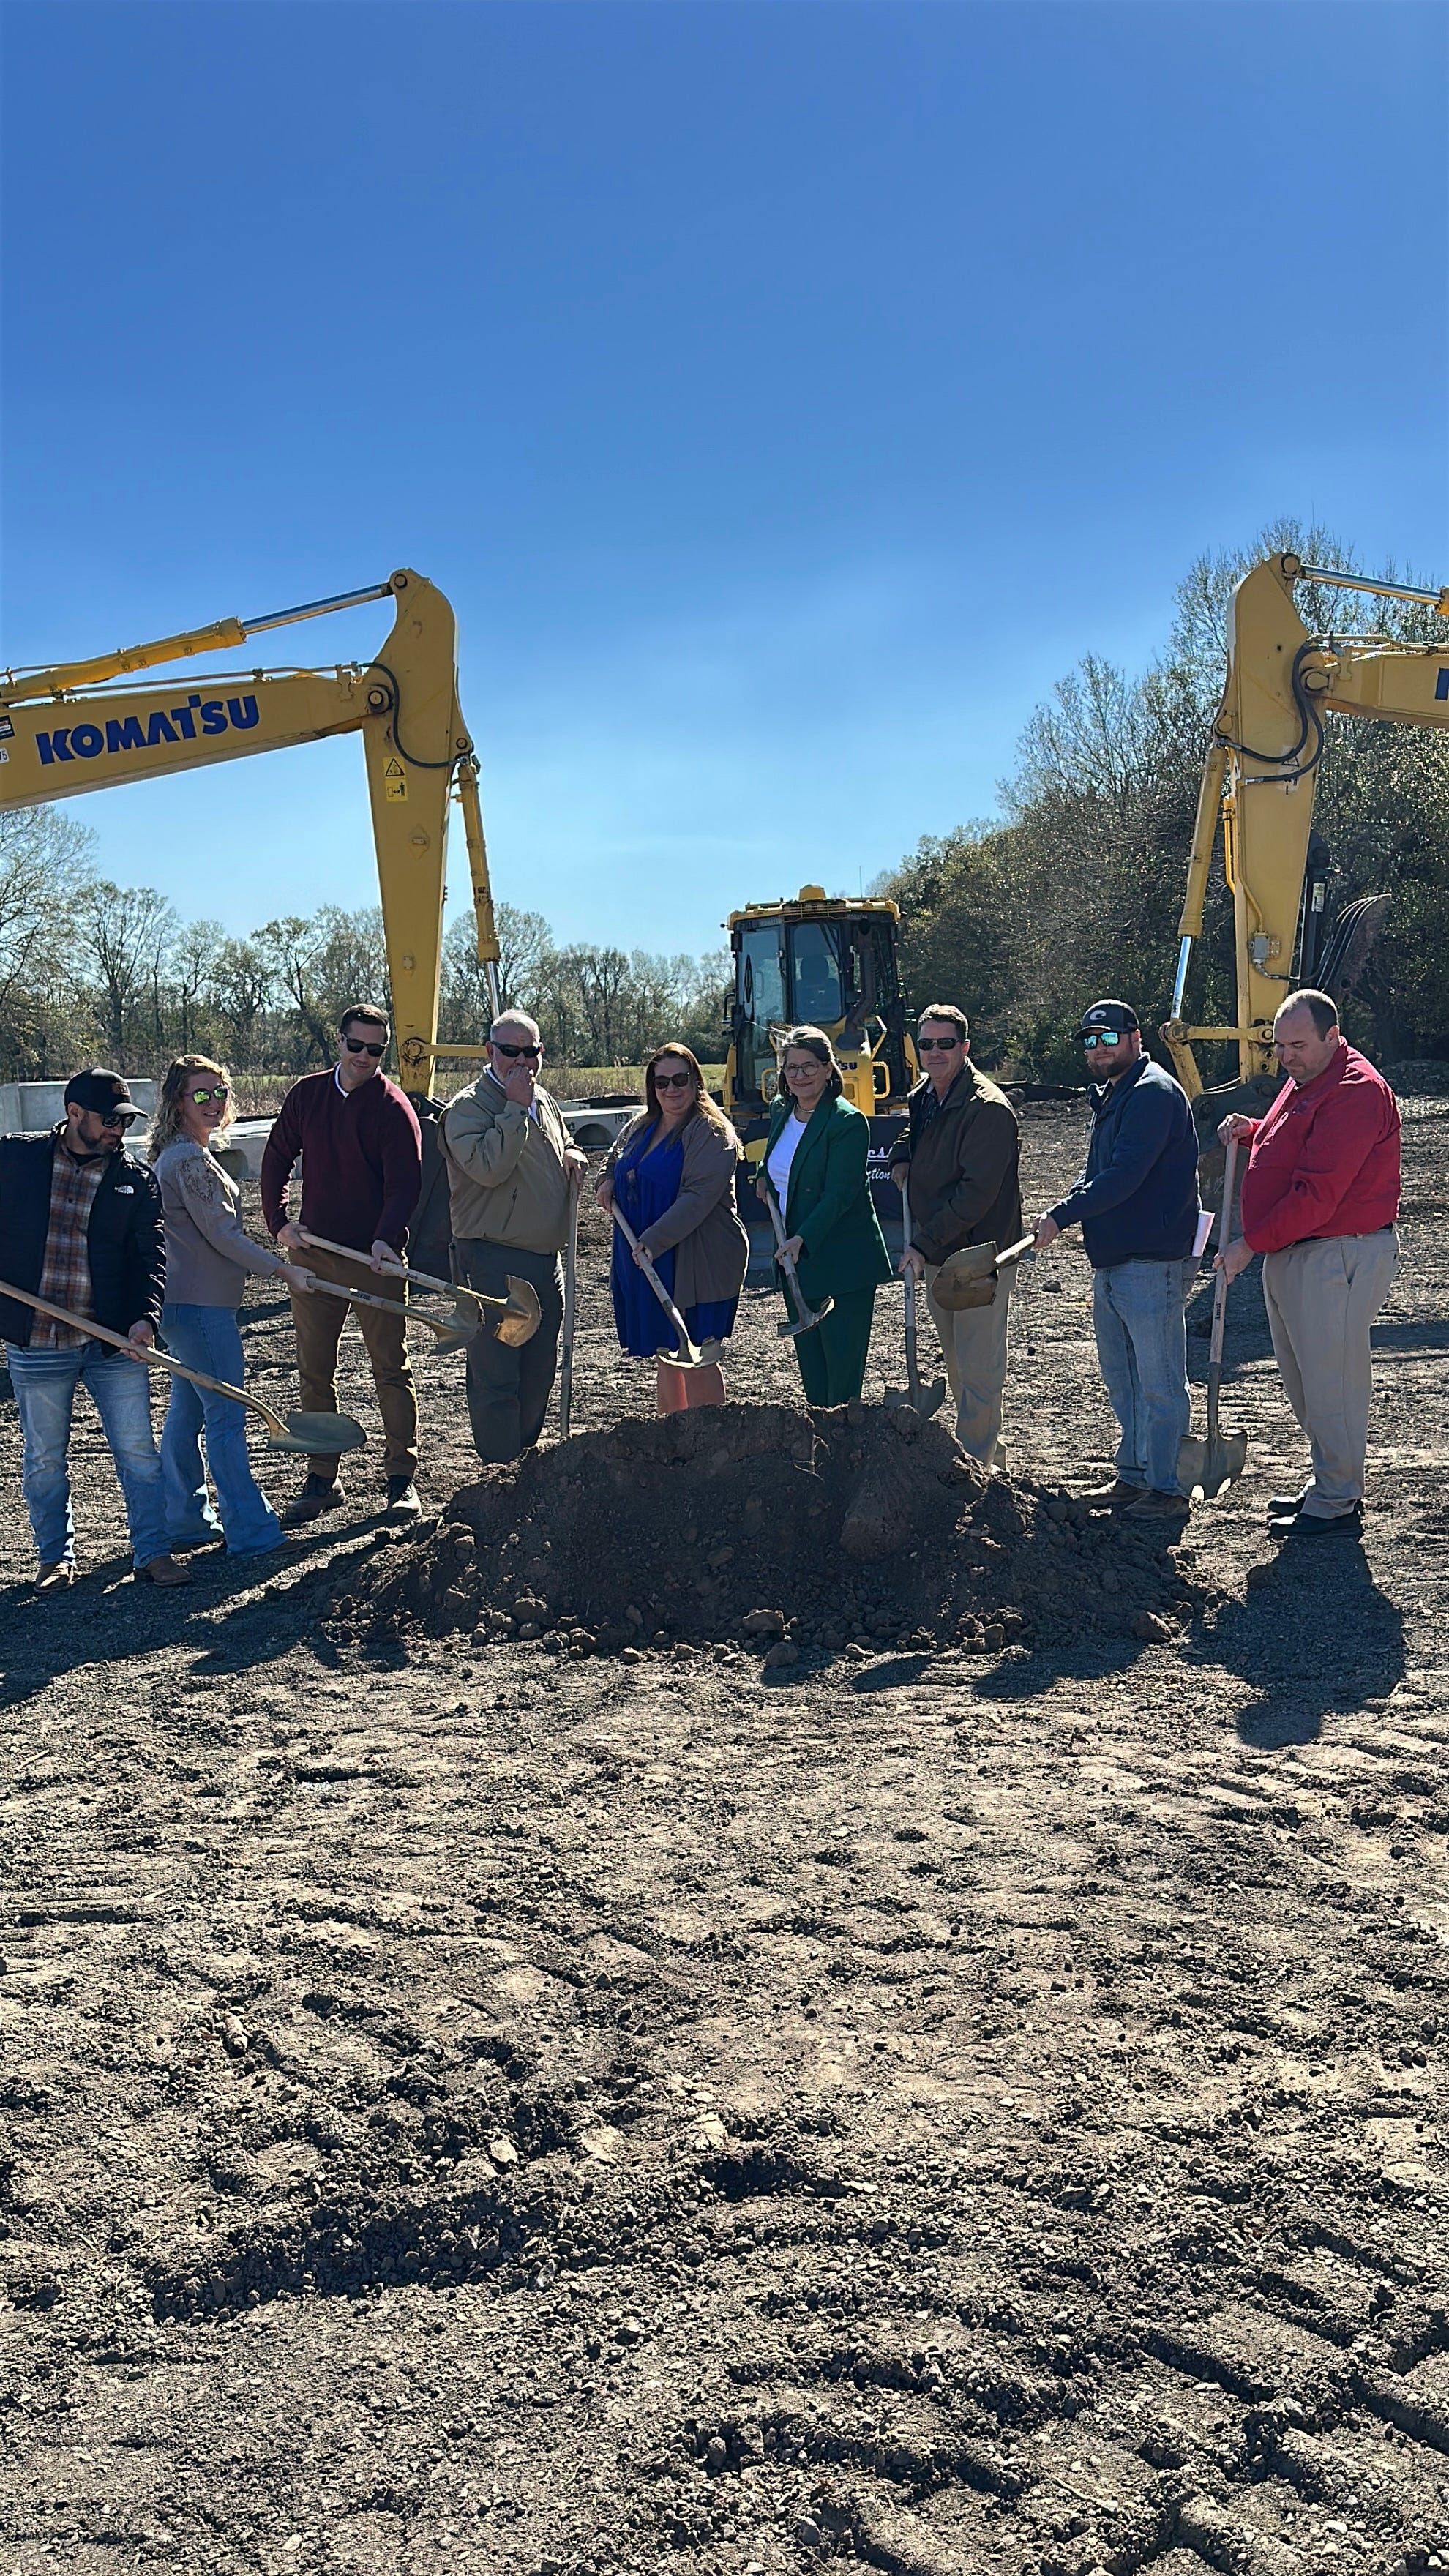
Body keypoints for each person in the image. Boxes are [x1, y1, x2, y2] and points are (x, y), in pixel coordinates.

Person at [1217, 989, 1400, 1539]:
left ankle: (1339, 1499)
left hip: (1335, 1251)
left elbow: (1318, 1194)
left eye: (1298, 1044)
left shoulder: (1354, 1092)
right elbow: (1292, 1136)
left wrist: (1250, 1244)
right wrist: (1253, 1128)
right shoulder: (1309, 1079)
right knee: (1307, 1381)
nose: (1287, 1056)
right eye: (1280, 1046)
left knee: (1333, 1381)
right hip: (1300, 1251)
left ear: (1331, 1035)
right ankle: (1329, 1483)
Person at [0, 1068, 187, 1592]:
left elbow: (151, 1257)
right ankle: (54, 1560)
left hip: (110, 1342)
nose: (118, 1132)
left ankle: (152, 1553)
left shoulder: (135, 1179)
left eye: (125, 1121)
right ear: (74, 1113)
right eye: (109, 1121)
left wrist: (145, 1319)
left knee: (138, 1455)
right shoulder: (15, 1161)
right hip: (36, 1342)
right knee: (43, 1460)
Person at [1032, 1001, 1201, 1523]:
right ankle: (1135, 1474)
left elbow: (1124, 1176)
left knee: (1160, 1378)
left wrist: (1062, 1214)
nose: (1098, 1048)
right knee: (1123, 1377)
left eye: (1108, 1037)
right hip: (1115, 1260)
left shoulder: (1151, 1093)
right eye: (1089, 1040)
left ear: (1135, 1038)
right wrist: (1073, 1207)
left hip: (1151, 1261)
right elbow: (1099, 1176)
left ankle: (1169, 1487)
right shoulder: (1114, 1095)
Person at [260, 1003, 424, 1524]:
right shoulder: (307, 1095)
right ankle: (322, 1477)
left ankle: (401, 1479)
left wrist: (385, 1242)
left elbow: (404, 1188)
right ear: (339, 1042)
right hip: (313, 1256)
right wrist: (279, 1222)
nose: (364, 1057)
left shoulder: (394, 1108)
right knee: (314, 1371)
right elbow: (276, 1156)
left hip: (374, 1261)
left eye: (376, 1050)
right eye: (357, 1046)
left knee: (390, 1370)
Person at [150, 1055, 316, 1558]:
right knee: (227, 1415)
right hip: (201, 1308)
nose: (213, 1102)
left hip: (181, 1306)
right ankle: (251, 1531)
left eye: (220, 1091)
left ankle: (184, 1519)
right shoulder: (188, 1162)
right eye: (201, 1094)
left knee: (187, 1414)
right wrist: (283, 1269)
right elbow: (223, 1235)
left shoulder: (180, 1156)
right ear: (178, 1102)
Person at [440, 1011, 588, 1463]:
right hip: (493, 1263)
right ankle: (499, 1473)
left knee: (538, 1371)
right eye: (510, 1052)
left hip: (546, 1262)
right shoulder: (469, 1108)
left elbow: (553, 1146)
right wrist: (514, 1108)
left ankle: (524, 1464)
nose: (521, 1061)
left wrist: (573, 1152)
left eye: (531, 1052)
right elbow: (490, 1168)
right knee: (498, 1373)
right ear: (490, 1052)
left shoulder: (542, 1099)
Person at [888, 1003, 1022, 1468]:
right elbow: (914, 1130)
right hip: (942, 1252)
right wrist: (902, 1155)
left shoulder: (988, 1110)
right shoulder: (926, 1093)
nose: (936, 1053)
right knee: (958, 1365)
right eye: (927, 1044)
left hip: (979, 1256)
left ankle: (977, 1467)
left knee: (979, 1367)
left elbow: (975, 1196)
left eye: (946, 1044)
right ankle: (988, 1458)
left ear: (965, 1048)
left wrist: (922, 1244)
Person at [757, 1025, 891, 1406]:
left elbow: (839, 1195)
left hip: (841, 1261)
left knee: (842, 1378)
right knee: (813, 1375)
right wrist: (763, 1176)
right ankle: (820, 1446)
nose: (799, 1075)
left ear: (829, 1068)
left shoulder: (846, 1122)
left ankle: (843, 1451)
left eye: (809, 1067)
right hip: (796, 1260)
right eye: (791, 1067)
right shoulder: (781, 1111)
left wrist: (802, 1239)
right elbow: (781, 1163)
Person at [598, 1045, 749, 1355]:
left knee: (699, 1357)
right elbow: (615, 1156)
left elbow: (698, 1197)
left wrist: (652, 1241)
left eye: (680, 1079)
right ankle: (674, 1408)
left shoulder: (714, 1132)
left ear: (696, 1081)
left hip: (696, 1260)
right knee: (666, 1356)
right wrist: (606, 1178)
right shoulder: (641, 1125)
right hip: (644, 1255)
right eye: (662, 1082)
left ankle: (704, 1408)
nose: (671, 1089)